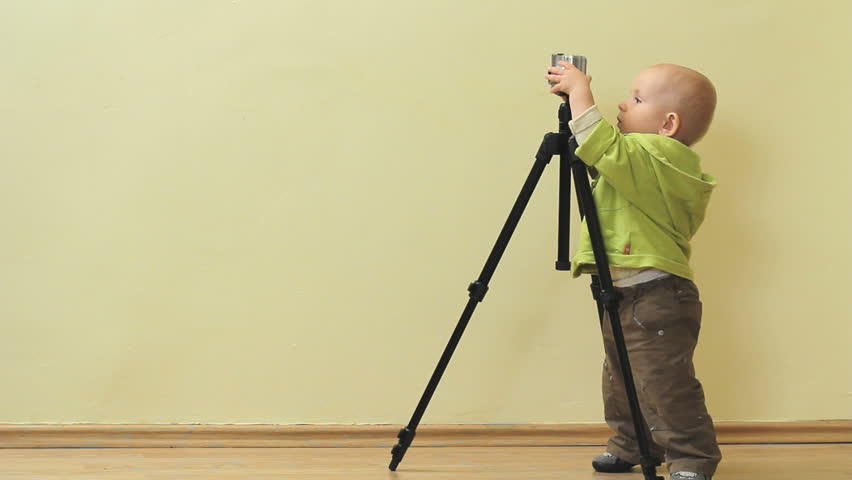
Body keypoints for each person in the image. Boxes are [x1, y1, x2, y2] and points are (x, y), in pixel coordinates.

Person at [544, 62, 722, 480]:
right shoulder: (637, 165)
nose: (623, 103)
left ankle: (692, 457)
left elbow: (605, 148)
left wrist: (579, 90)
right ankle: (632, 444)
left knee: (664, 382)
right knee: (621, 377)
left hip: (656, 295)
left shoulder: (664, 157)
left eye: (637, 99)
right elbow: (604, 158)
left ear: (668, 124)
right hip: (621, 293)